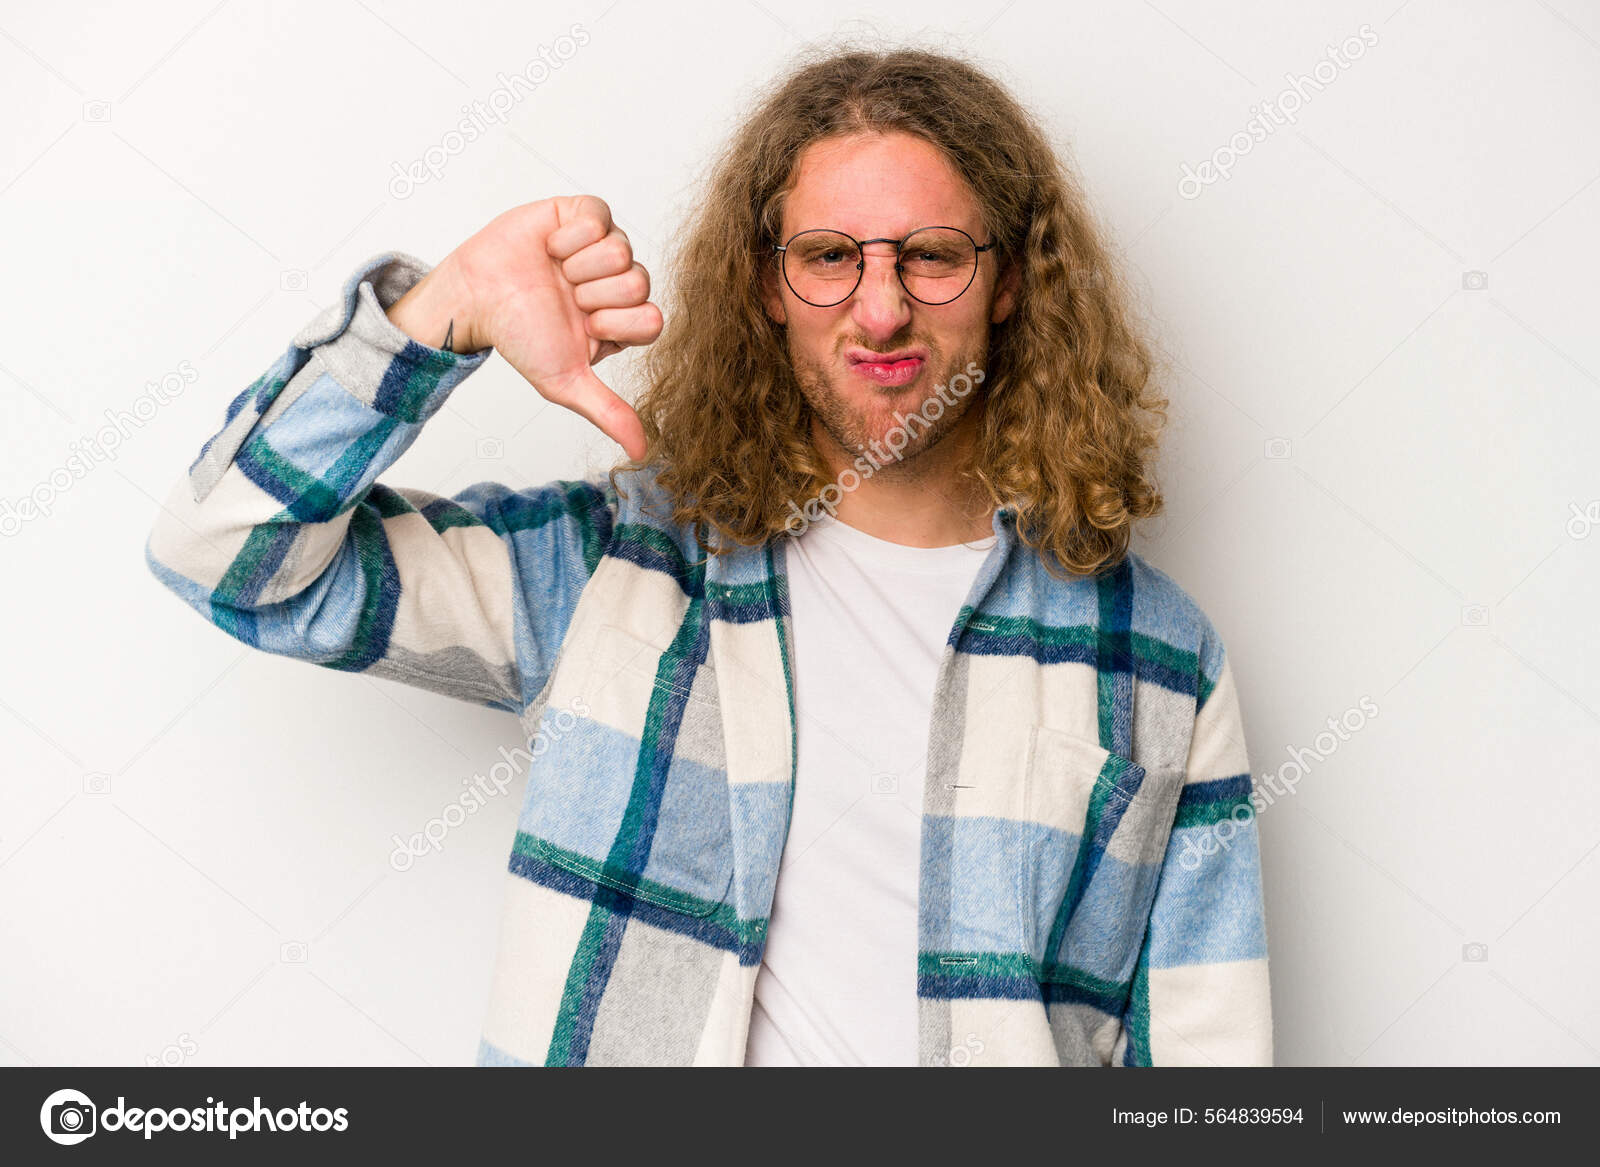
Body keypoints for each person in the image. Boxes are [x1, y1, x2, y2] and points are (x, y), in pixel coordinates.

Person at [145, 45, 1271, 1066]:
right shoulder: (610, 571)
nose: (879, 310)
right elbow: (230, 556)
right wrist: (439, 312)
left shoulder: (1157, 664)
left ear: (1013, 281)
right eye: (827, 256)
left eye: (932, 256)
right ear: (765, 286)